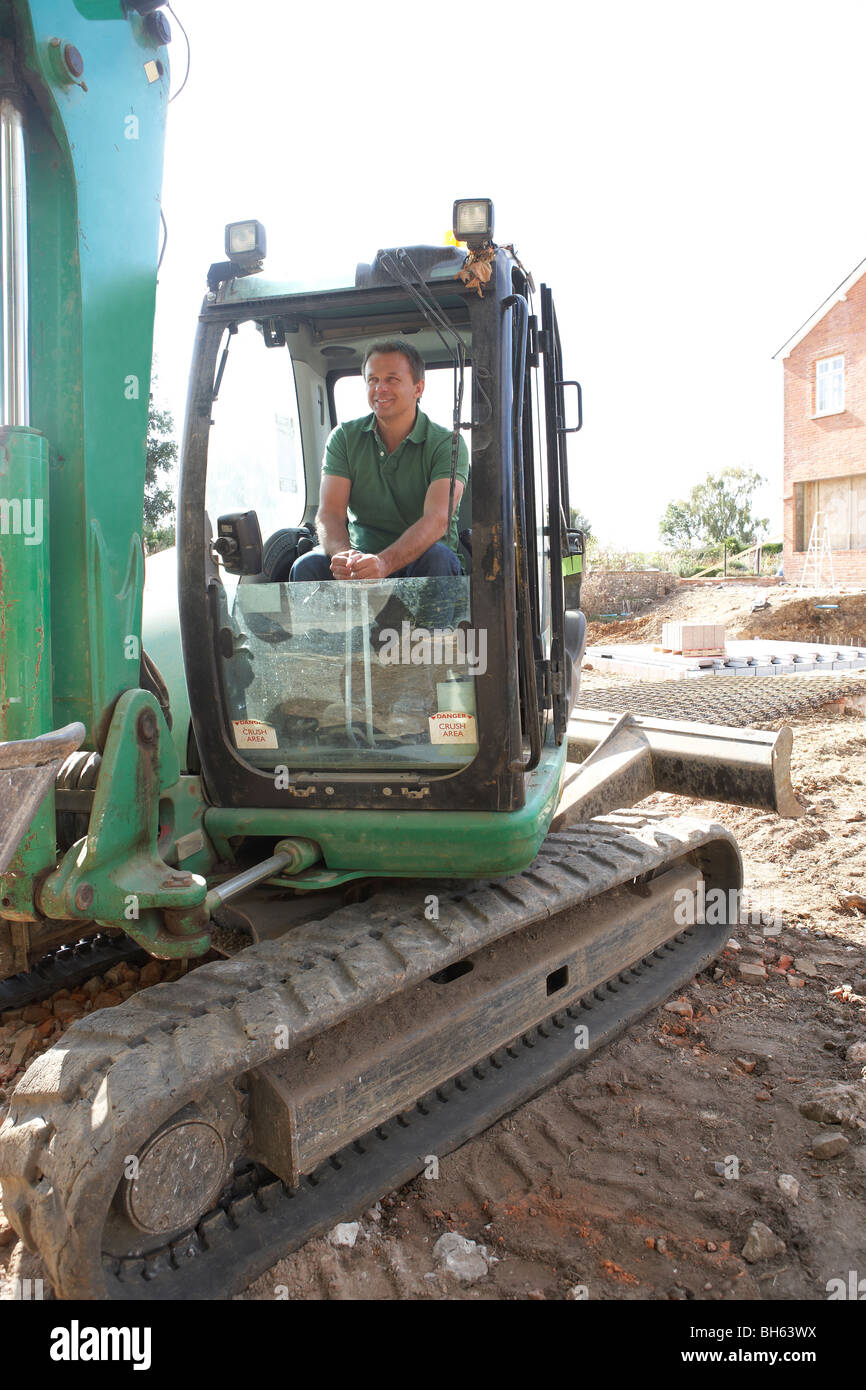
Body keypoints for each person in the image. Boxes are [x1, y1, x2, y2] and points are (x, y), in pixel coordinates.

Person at [290, 341, 469, 583]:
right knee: (307, 566)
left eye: (392, 379)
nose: (380, 388)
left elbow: (436, 519)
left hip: (423, 563)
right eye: (372, 379)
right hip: (362, 560)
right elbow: (330, 513)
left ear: (418, 388)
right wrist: (345, 557)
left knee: (439, 558)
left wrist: (383, 563)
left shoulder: (448, 444)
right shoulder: (343, 437)